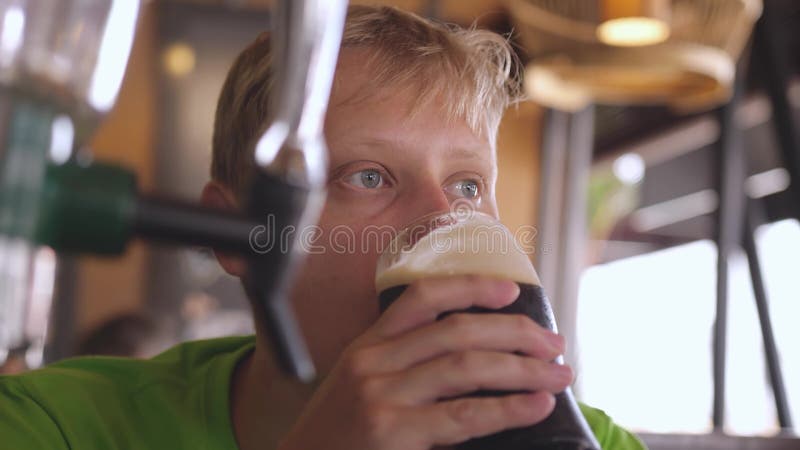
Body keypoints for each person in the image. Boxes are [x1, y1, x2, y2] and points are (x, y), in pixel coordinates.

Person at [0, 6, 646, 450]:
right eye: (369, 176)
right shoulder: (54, 426)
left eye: (467, 185)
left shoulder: (593, 439)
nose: (442, 220)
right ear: (237, 234)